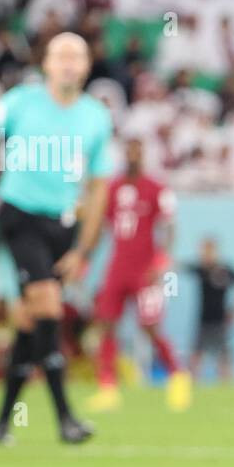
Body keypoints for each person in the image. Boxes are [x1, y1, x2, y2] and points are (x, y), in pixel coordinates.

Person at [0, 33, 113, 445]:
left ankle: (1, 423)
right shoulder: (17, 103)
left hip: (62, 227)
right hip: (20, 215)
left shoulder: (97, 116)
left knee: (28, 322)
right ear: (45, 64)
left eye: (77, 55)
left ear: (87, 66)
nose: (68, 63)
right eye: (60, 55)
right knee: (48, 304)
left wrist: (82, 249)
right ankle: (66, 419)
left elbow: (98, 189)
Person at [88, 137, 191, 411]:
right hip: (117, 266)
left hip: (145, 269)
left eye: (138, 149)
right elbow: (98, 225)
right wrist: (85, 257)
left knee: (150, 326)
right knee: (106, 323)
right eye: (129, 149)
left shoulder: (155, 188)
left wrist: (161, 261)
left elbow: (169, 227)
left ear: (143, 153)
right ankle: (108, 387)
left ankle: (178, 376)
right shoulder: (112, 188)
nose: (133, 154)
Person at [185, 237, 234, 382]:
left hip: (221, 322)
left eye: (209, 250)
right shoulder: (201, 269)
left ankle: (227, 389)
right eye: (203, 250)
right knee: (195, 358)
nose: (205, 254)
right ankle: (192, 388)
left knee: (224, 359)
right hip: (203, 321)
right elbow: (179, 267)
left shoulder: (225, 270)